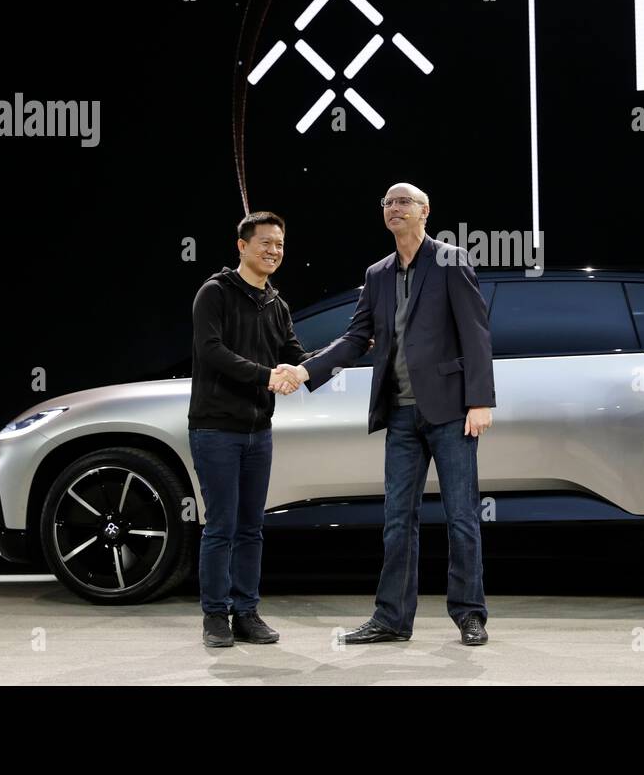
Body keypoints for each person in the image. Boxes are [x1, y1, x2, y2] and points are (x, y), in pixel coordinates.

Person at [273, 183, 495, 645]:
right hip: (400, 415)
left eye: (404, 202)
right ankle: (392, 618)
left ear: (425, 211)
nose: (394, 209)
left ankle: (469, 614)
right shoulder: (377, 274)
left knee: (461, 516)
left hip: (451, 411)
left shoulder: (451, 260)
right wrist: (305, 369)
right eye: (388, 203)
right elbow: (356, 338)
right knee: (397, 520)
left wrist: (480, 401)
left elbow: (476, 333)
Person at [188, 210, 310, 648]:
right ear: (242, 246)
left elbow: (297, 354)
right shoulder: (214, 294)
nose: (274, 251)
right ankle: (214, 617)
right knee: (220, 525)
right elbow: (211, 351)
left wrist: (348, 348)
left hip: (260, 431)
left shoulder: (276, 303)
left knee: (251, 527)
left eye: (279, 244)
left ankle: (247, 612)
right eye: (265, 243)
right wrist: (267, 376)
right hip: (215, 429)